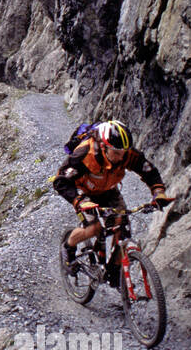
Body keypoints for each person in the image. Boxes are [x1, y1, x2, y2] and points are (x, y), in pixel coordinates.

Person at [52, 120, 173, 283]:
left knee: (121, 227)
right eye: (116, 152)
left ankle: (114, 274)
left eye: (123, 152)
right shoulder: (84, 154)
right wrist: (79, 202)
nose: (120, 156)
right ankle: (68, 247)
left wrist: (158, 193)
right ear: (103, 145)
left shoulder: (125, 154)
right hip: (83, 192)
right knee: (94, 228)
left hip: (108, 190)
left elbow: (148, 170)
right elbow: (61, 181)